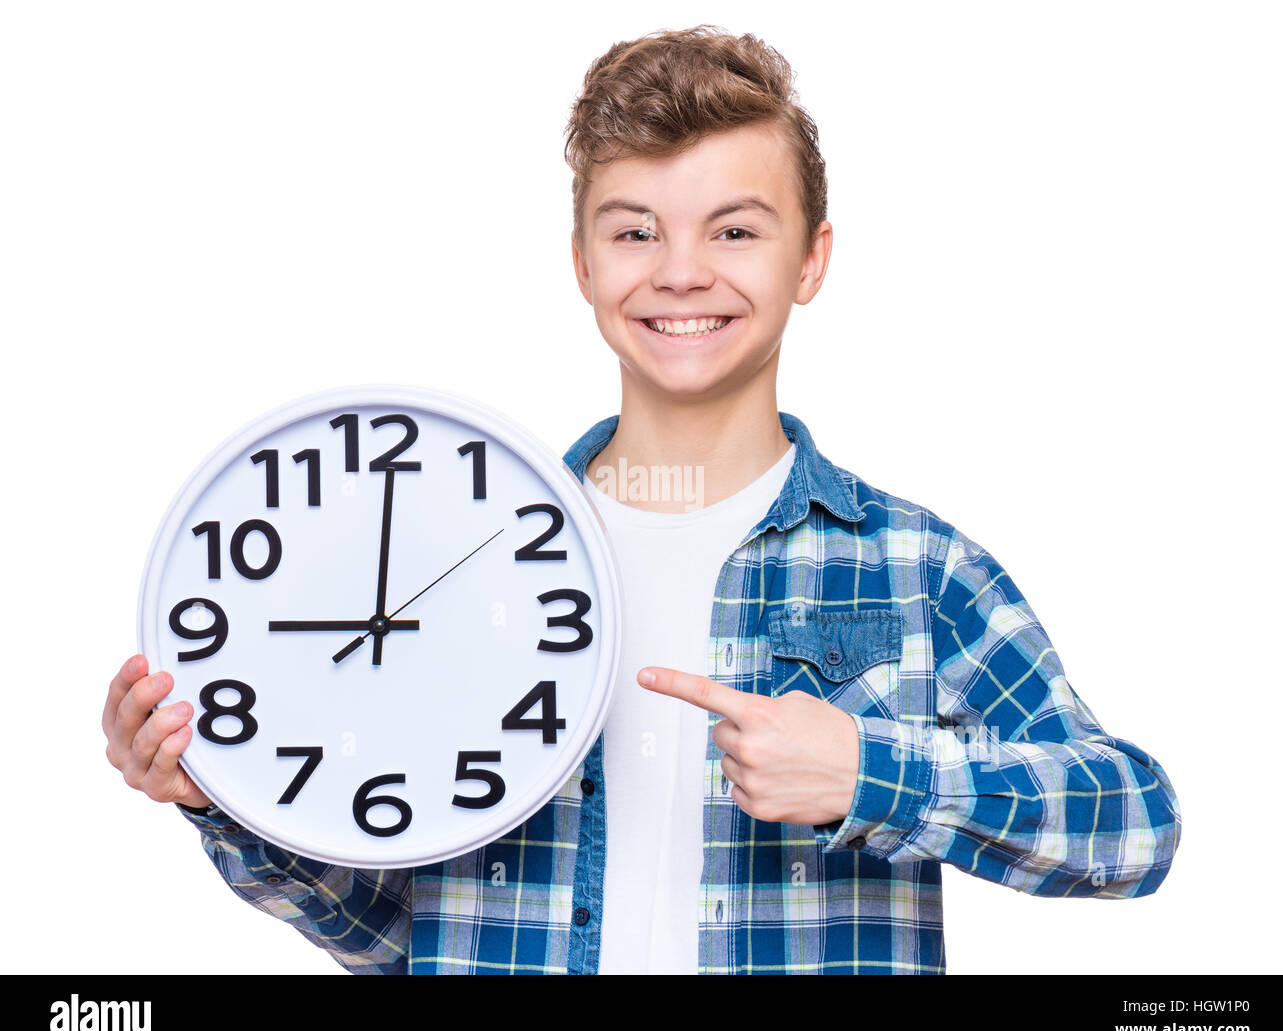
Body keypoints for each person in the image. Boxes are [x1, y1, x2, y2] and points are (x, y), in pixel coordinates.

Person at [102, 25, 1181, 974]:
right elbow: (400, 935)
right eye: (634, 231)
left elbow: (1134, 826)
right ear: (581, 262)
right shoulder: (468, 543)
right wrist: (220, 794)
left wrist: (869, 770)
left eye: (734, 229)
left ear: (812, 259)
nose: (679, 272)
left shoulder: (913, 565)